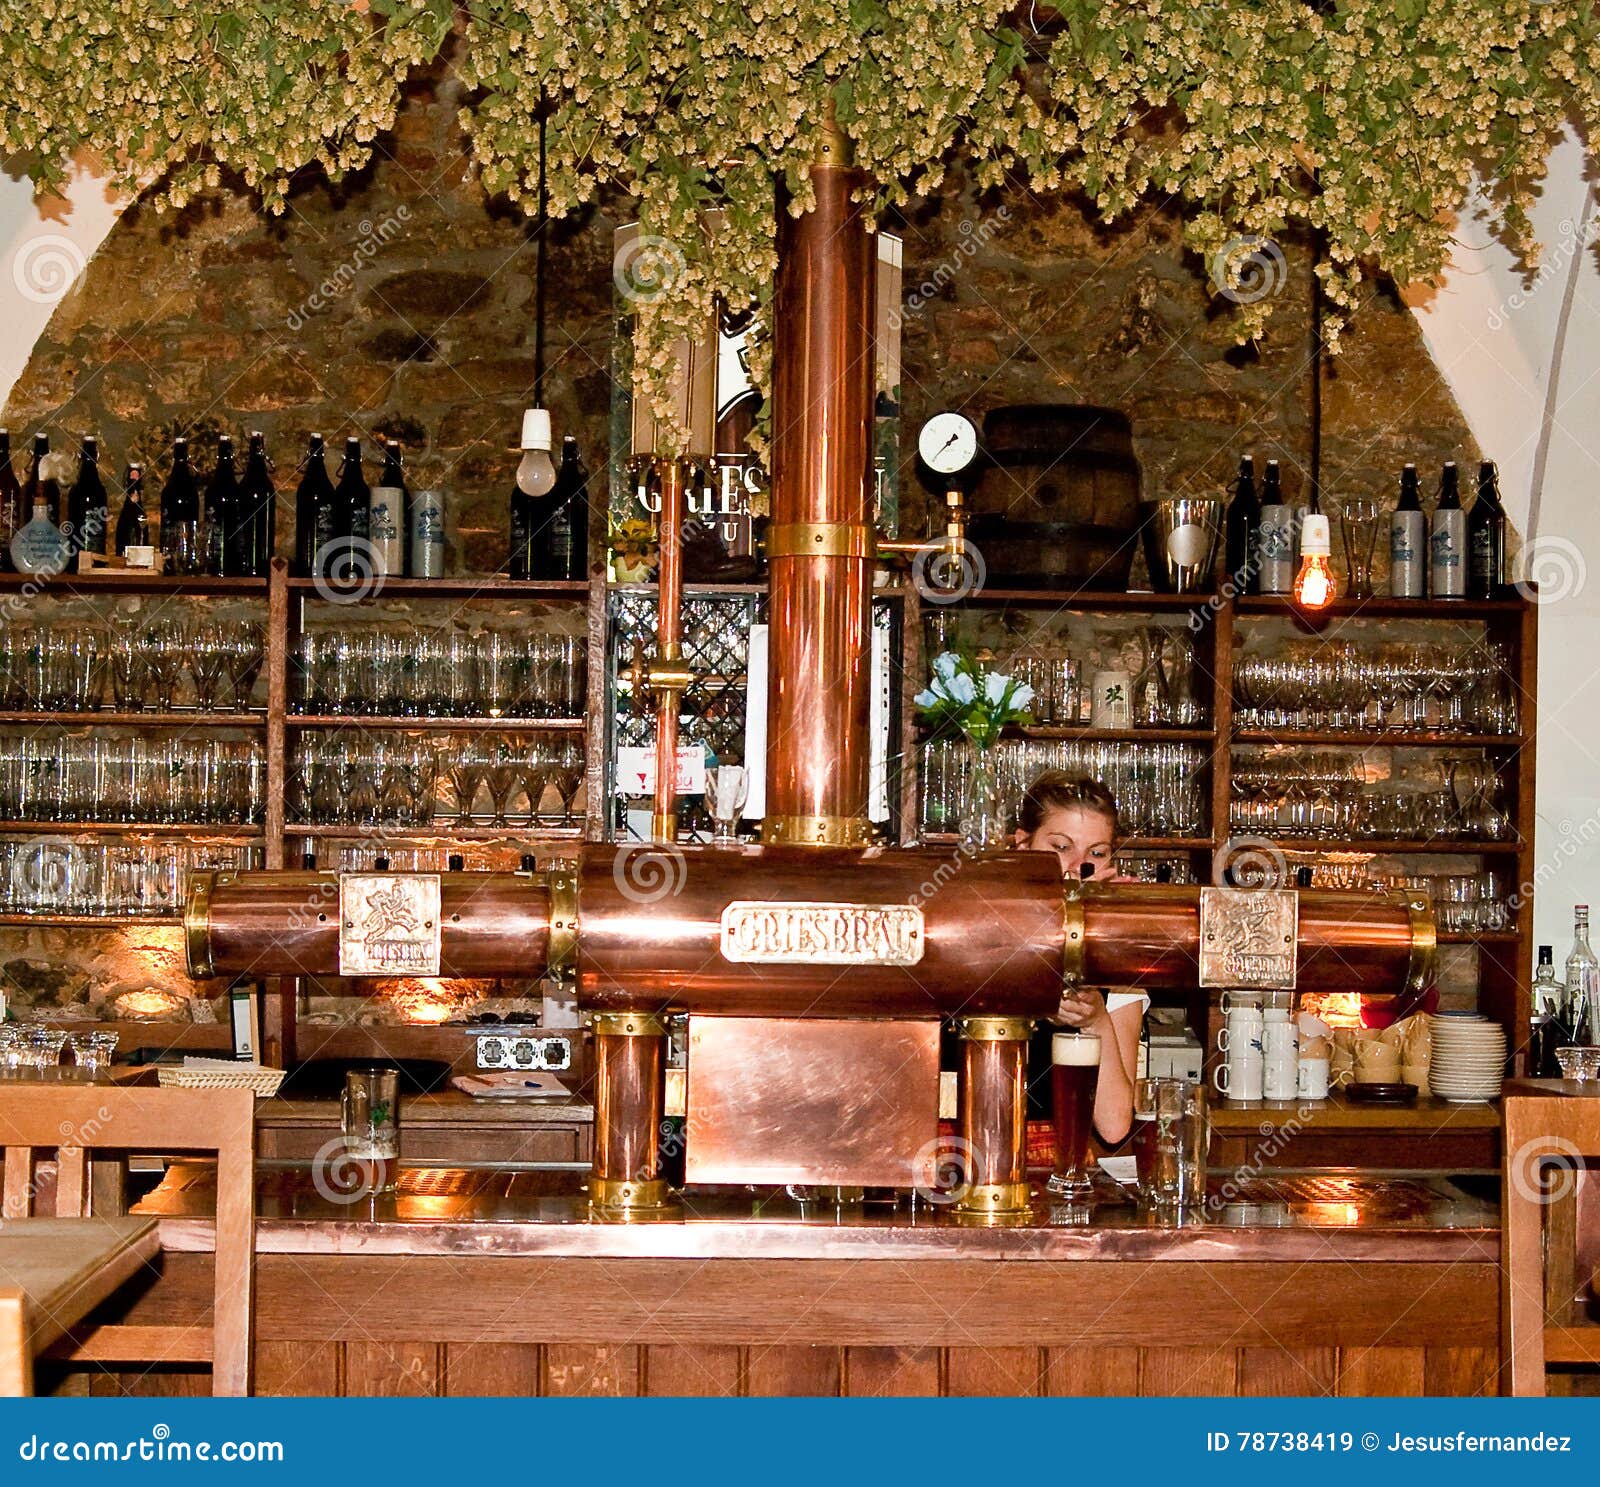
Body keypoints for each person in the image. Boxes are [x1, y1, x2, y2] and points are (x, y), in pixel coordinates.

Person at [1013, 771, 1141, 1144]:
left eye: (1096, 853)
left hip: (1058, 1169)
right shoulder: (988, 929)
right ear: (1022, 846)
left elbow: (1114, 1125)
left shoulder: (1119, 951)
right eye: (1061, 846)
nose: (1078, 866)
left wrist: (1097, 1018)